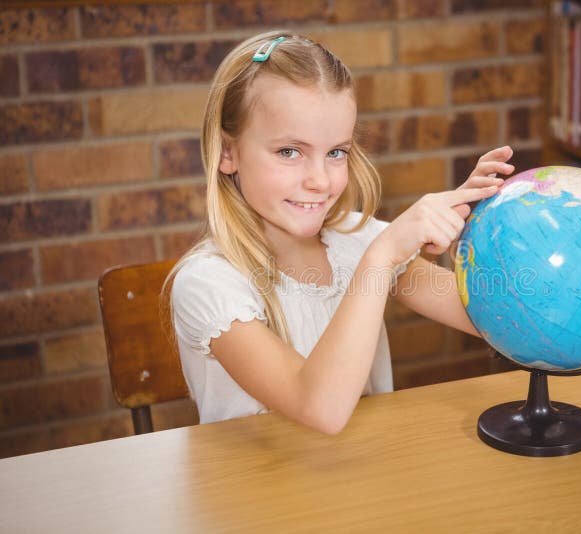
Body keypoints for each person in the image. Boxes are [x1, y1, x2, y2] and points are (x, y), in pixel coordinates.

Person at [165, 31, 515, 434]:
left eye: (336, 152)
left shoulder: (358, 239)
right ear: (228, 152)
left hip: (360, 477)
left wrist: (485, 228)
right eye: (289, 152)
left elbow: (499, 318)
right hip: (257, 490)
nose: (319, 180)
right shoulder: (208, 284)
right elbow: (319, 409)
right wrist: (381, 258)